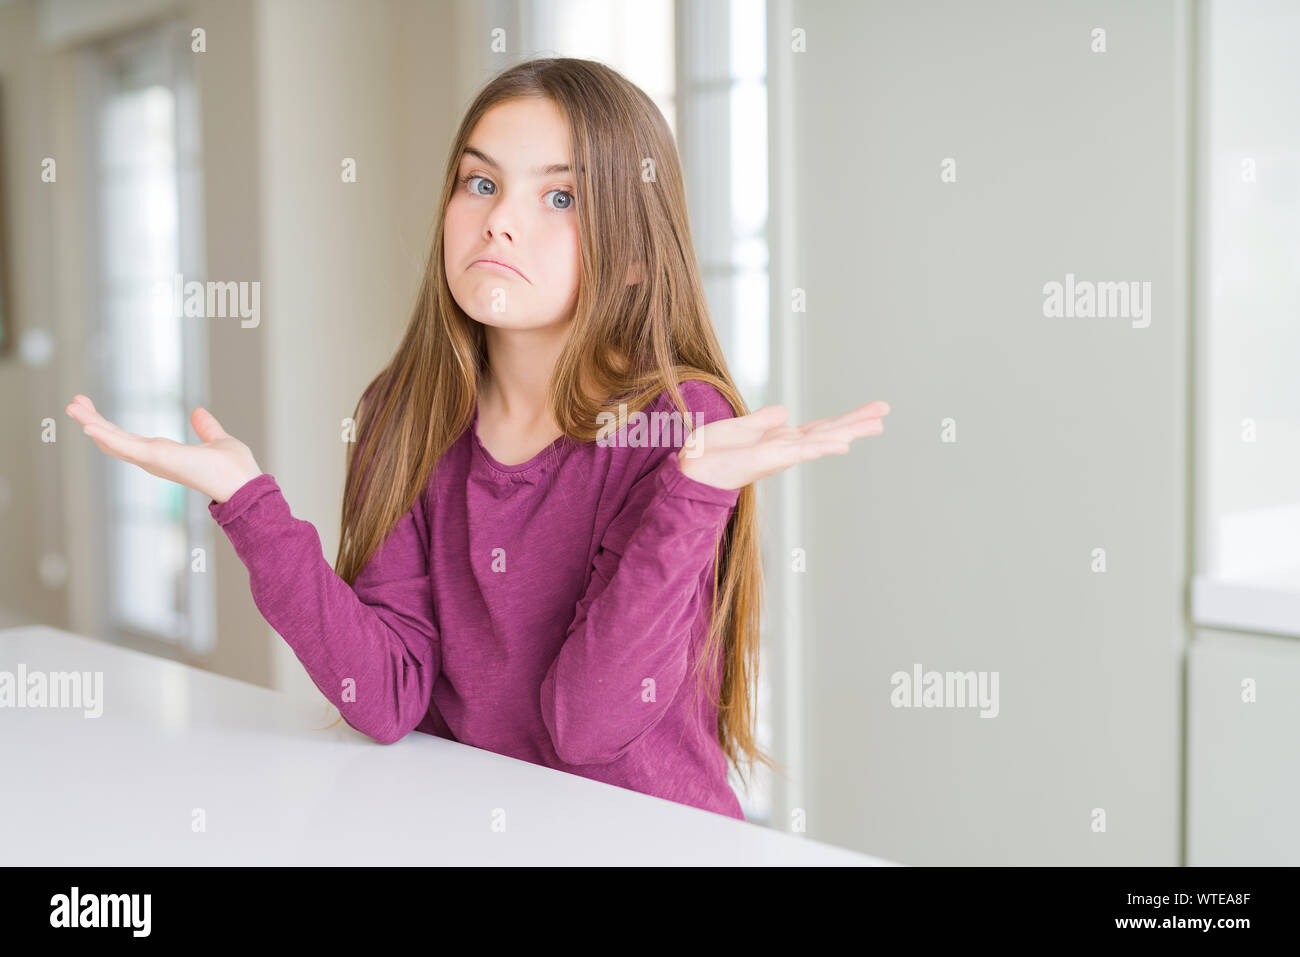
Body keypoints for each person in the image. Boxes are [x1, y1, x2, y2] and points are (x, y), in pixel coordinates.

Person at [65, 57, 889, 822]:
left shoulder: (677, 422)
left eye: (559, 197)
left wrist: (693, 495)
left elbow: (586, 724)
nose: (499, 222)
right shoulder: (402, 411)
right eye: (480, 182)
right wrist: (249, 503)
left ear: (636, 255)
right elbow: (385, 694)